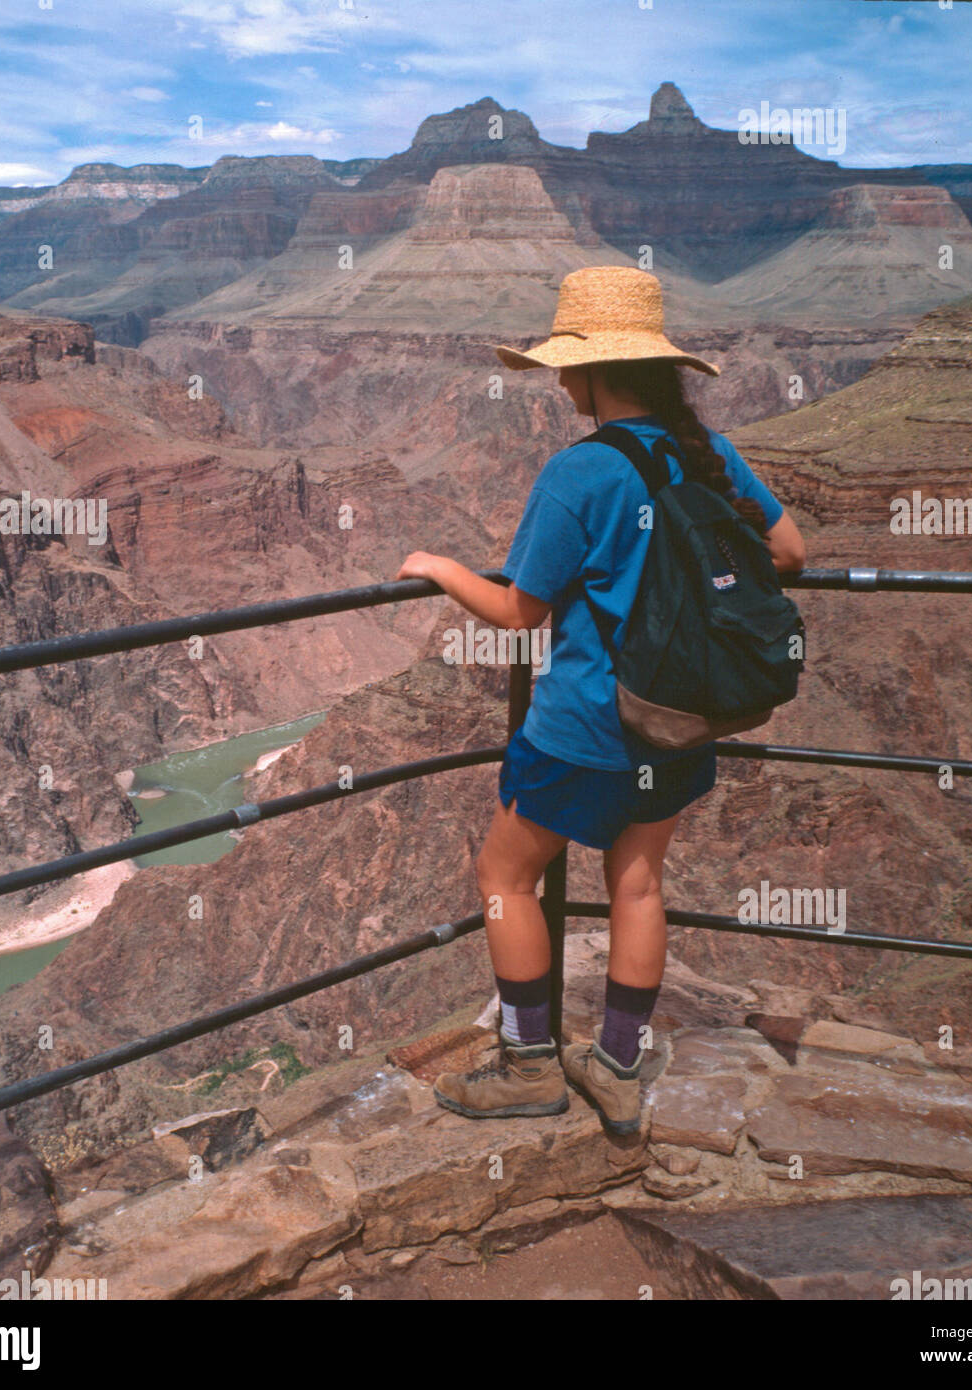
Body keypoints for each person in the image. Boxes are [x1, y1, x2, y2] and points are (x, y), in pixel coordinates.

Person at [396, 265, 806, 1134]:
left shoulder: (578, 473)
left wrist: (439, 569)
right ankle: (618, 1068)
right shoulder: (708, 452)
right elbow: (794, 553)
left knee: (505, 875)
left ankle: (528, 1068)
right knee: (638, 884)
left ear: (585, 372)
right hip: (681, 714)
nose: (559, 379)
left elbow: (519, 610)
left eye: (564, 364)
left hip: (585, 723)